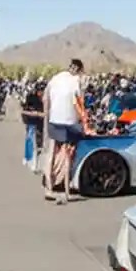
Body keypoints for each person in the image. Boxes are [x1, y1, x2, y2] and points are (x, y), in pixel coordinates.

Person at [44, 59, 90, 204]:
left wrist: (48, 115)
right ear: (79, 69)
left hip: (54, 119)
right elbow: (80, 101)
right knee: (68, 155)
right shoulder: (76, 81)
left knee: (51, 153)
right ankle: (66, 191)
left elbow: (46, 97)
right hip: (69, 122)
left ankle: (49, 188)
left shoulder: (56, 78)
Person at [21, 81, 45, 172]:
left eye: (43, 90)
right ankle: (28, 158)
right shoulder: (30, 97)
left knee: (39, 144)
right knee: (30, 140)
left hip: (41, 123)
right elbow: (24, 110)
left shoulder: (46, 99)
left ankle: (35, 161)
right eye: (40, 90)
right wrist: (33, 113)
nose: (41, 93)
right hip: (31, 122)